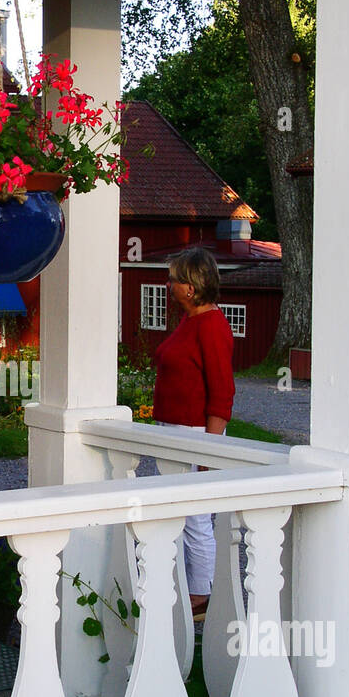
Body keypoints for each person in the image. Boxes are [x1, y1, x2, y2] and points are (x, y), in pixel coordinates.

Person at [151, 247, 235, 617]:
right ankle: (185, 582)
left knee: (195, 516)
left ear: (191, 285)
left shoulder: (212, 325)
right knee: (175, 511)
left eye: (174, 279)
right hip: (173, 429)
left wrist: (209, 449)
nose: (169, 285)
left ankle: (202, 593)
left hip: (193, 433)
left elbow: (222, 391)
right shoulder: (189, 321)